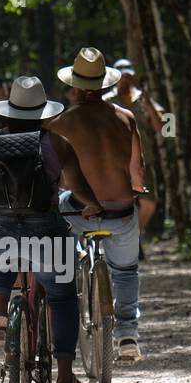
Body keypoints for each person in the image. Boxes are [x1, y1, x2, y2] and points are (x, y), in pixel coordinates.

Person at [0, 76, 103, 383]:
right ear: (45, 114)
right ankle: (65, 376)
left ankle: (0, 309)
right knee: (62, 296)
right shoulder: (58, 144)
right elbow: (78, 188)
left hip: (1, 225)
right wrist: (93, 205)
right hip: (45, 228)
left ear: (8, 111)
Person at [47, 46, 146, 364]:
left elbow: (53, 173)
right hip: (120, 210)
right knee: (126, 272)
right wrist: (134, 190)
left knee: (58, 210)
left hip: (80, 209)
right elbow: (138, 170)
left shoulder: (62, 121)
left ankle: (72, 268)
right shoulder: (126, 117)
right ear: (104, 85)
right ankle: (127, 333)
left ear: (75, 86)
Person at [107, 57, 161, 260]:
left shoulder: (143, 100)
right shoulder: (107, 101)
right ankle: (125, 244)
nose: (126, 80)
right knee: (124, 206)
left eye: (129, 76)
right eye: (122, 77)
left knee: (148, 204)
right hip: (116, 164)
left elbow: (164, 128)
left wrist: (148, 100)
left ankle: (132, 237)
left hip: (144, 162)